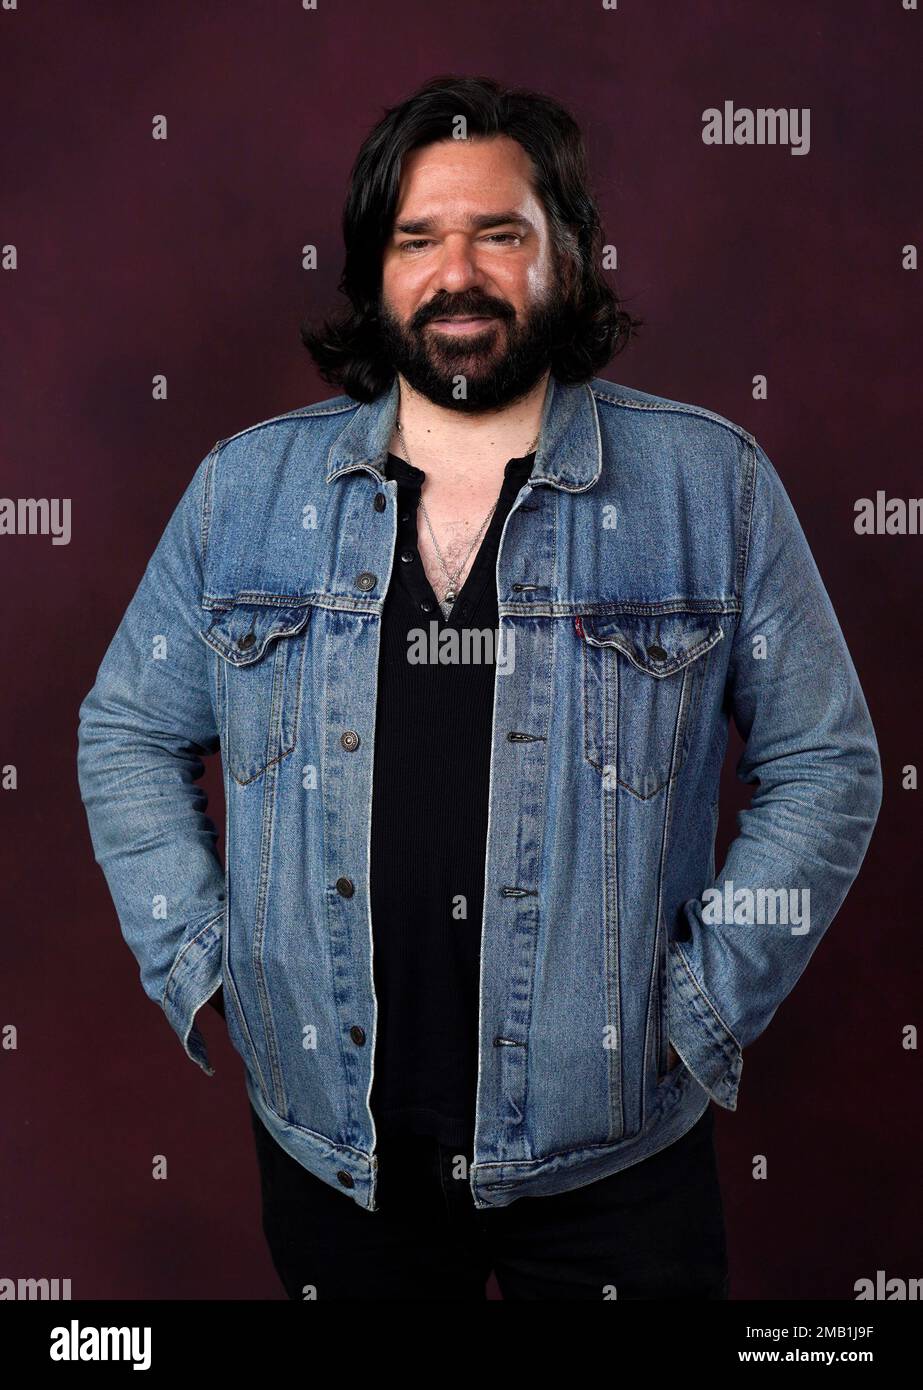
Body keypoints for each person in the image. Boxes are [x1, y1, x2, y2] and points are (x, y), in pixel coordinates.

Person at [77, 75, 882, 1300]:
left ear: (564, 255)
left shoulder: (703, 487)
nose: (458, 272)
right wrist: (205, 958)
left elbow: (825, 765)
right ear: (375, 269)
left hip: (616, 1158)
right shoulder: (244, 496)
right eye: (417, 239)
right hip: (335, 1154)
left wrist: (701, 1008)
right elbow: (127, 728)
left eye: (498, 233)